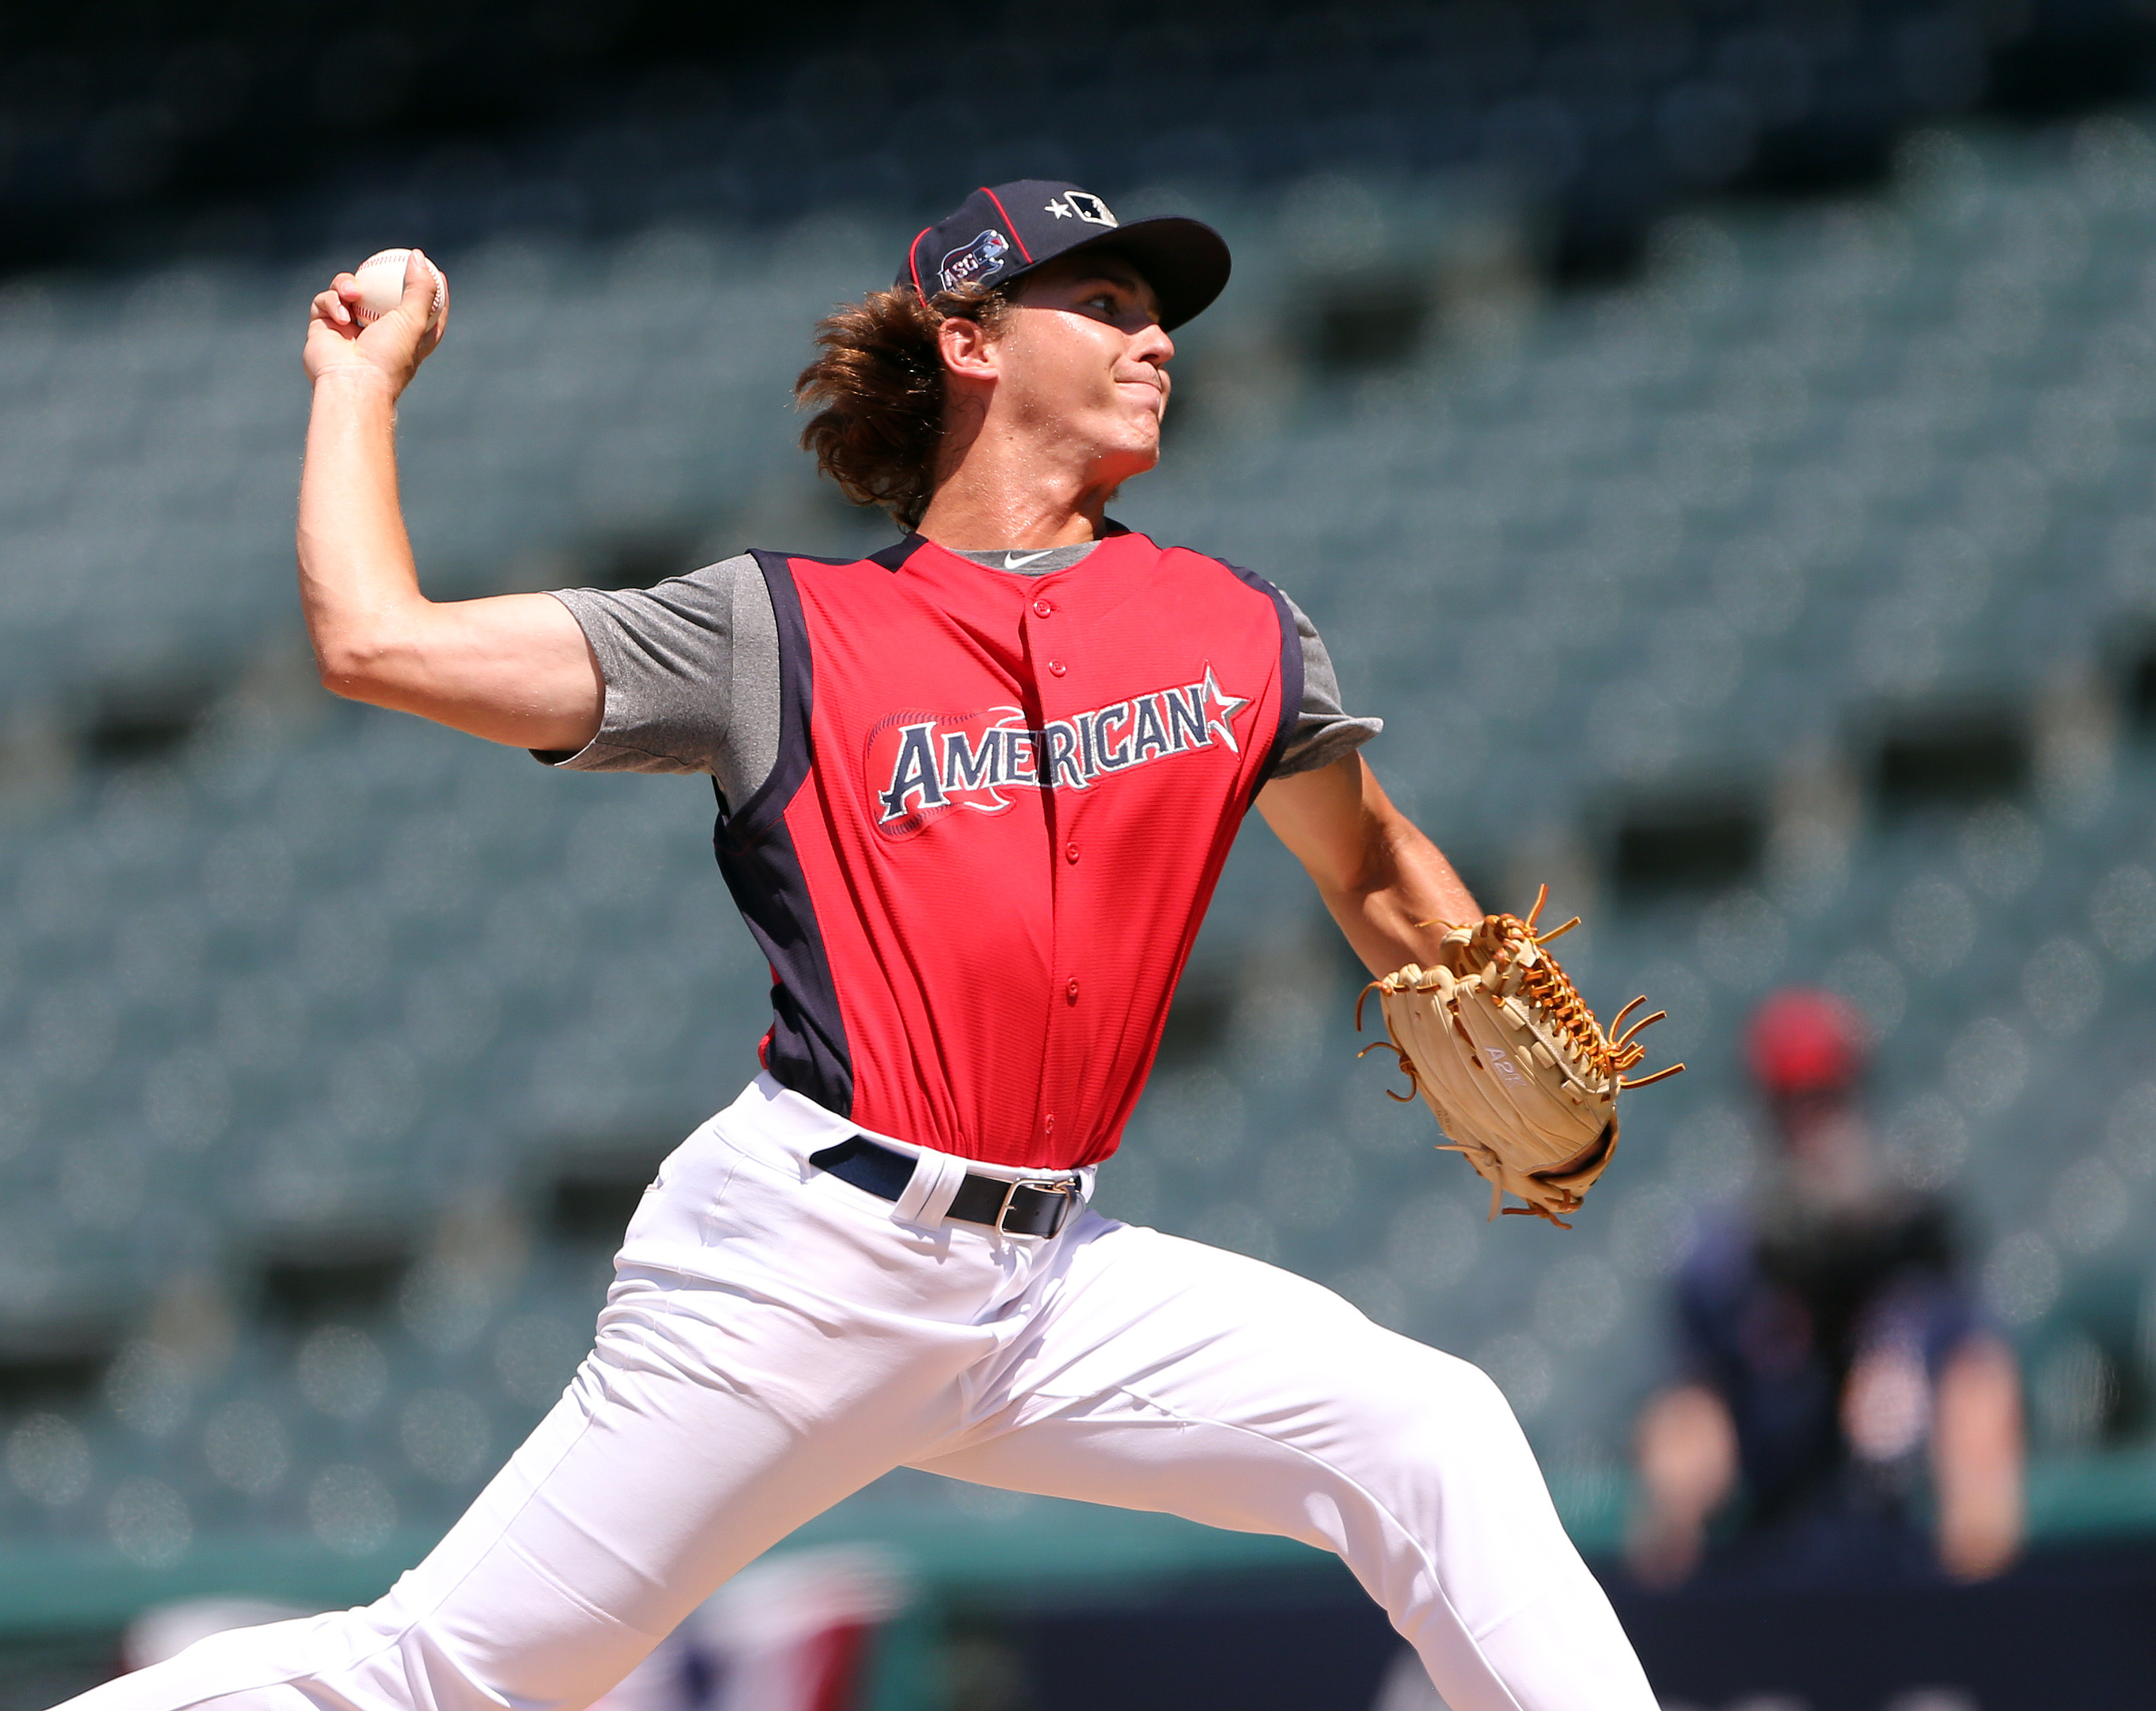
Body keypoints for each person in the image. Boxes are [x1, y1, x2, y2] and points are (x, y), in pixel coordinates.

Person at [61, 181, 1655, 1711]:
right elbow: (376, 642)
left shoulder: (1236, 627)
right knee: (454, 1676)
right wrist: (357, 385)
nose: (1155, 338)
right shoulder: (777, 633)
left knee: (1427, 1433)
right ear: (969, 339)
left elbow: (1366, 855)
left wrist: (1465, 968)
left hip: (1047, 1284)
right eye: (1105, 302)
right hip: (803, 1266)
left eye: (1158, 313)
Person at [1628, 988, 2024, 1590]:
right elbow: (1693, 1405)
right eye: (1791, 1103)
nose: (1810, 1124)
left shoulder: (1916, 1244)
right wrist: (1674, 1510)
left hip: (1907, 1556)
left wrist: (1978, 1520)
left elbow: (1976, 1383)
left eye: (1825, 1097)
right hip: (1773, 1558)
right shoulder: (1728, 1262)